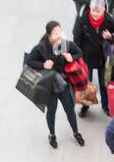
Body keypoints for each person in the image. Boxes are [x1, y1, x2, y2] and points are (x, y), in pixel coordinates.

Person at [25, 20, 86, 149]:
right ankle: (52, 135)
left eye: (60, 32)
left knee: (69, 108)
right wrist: (43, 65)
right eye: (55, 33)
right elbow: (29, 61)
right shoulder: (41, 48)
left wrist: (71, 58)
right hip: (49, 85)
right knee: (51, 110)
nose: (58, 36)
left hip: (62, 83)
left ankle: (76, 132)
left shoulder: (64, 44)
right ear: (48, 35)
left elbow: (79, 52)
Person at [73, 0, 113, 114]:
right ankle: (85, 105)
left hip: (102, 57)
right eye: (93, 11)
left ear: (104, 10)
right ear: (90, 9)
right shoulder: (82, 20)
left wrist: (110, 36)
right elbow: (77, 40)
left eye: (98, 11)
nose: (95, 14)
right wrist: (78, 58)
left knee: (104, 83)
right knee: (86, 84)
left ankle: (105, 105)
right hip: (86, 57)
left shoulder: (108, 20)